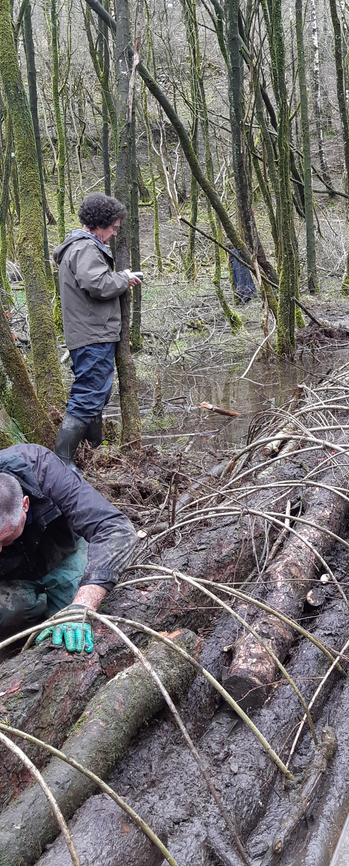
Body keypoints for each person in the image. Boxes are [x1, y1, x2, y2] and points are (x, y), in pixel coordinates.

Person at [0, 443, 138, 651]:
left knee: (91, 617)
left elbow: (115, 528)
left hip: (61, 555)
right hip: (10, 575)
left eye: (4, 539)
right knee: (8, 617)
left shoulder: (44, 470)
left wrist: (82, 605)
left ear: (25, 506)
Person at [52, 194, 142, 466]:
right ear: (99, 224)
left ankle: (93, 450)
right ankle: (62, 462)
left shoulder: (80, 247)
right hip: (92, 334)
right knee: (88, 395)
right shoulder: (85, 249)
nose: (115, 233)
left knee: (96, 394)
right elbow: (99, 285)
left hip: (90, 333)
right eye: (113, 227)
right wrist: (123, 279)